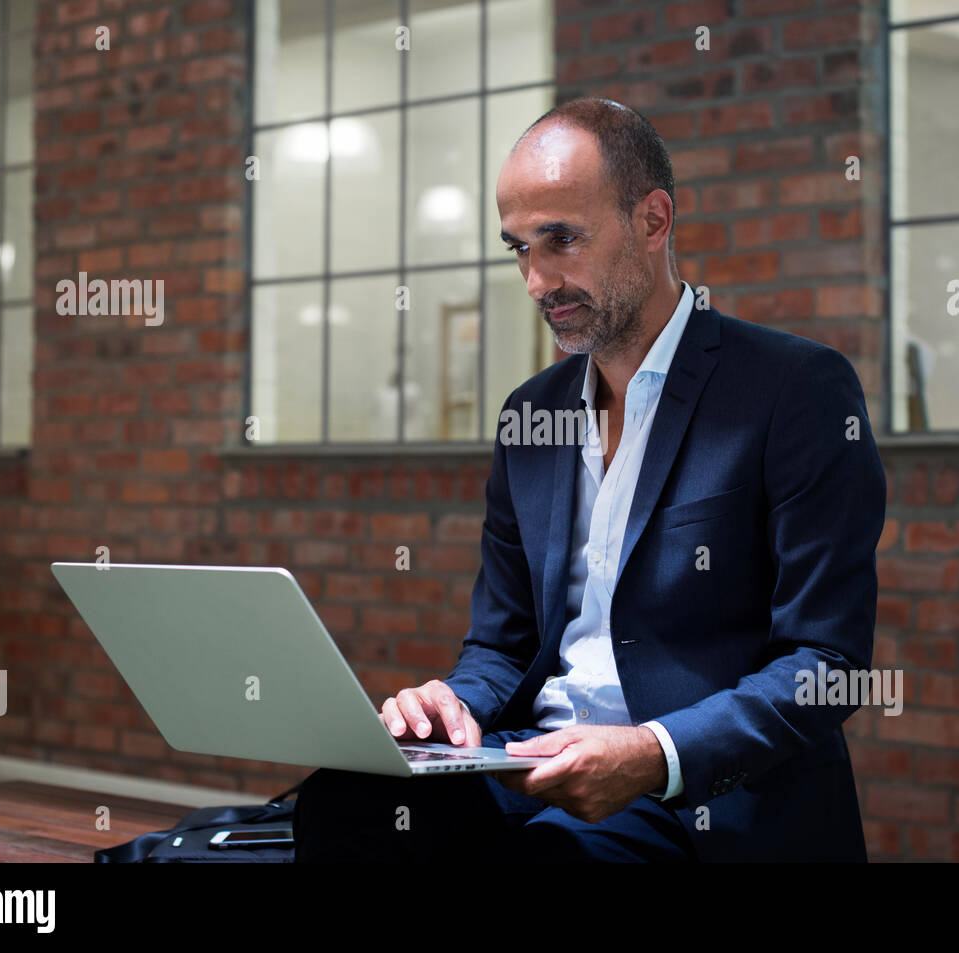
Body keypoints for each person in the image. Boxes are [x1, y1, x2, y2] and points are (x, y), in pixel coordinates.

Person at [293, 97, 887, 862]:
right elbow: (502, 646)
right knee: (347, 802)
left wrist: (652, 752)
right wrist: (452, 705)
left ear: (653, 219)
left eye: (562, 240)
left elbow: (825, 663)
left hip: (698, 795)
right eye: (518, 249)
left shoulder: (795, 389)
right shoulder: (529, 415)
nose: (538, 280)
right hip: (531, 761)